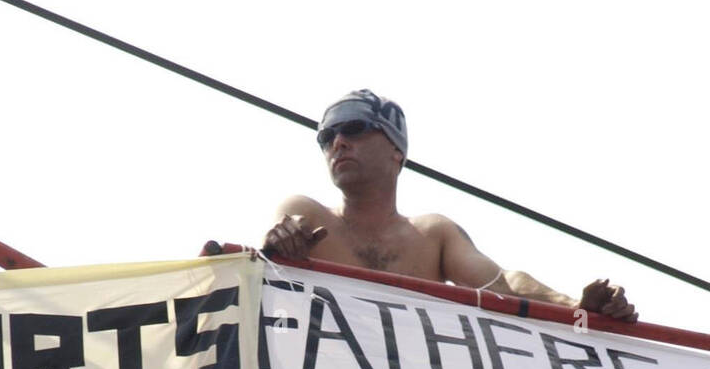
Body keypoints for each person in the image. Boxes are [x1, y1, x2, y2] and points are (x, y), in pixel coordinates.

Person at [262, 89, 638, 321]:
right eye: (327, 137)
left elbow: (501, 282)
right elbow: (270, 254)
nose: (338, 142)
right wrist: (279, 248)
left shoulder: (432, 235)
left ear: (397, 150)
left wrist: (575, 305)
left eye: (354, 128)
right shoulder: (305, 212)